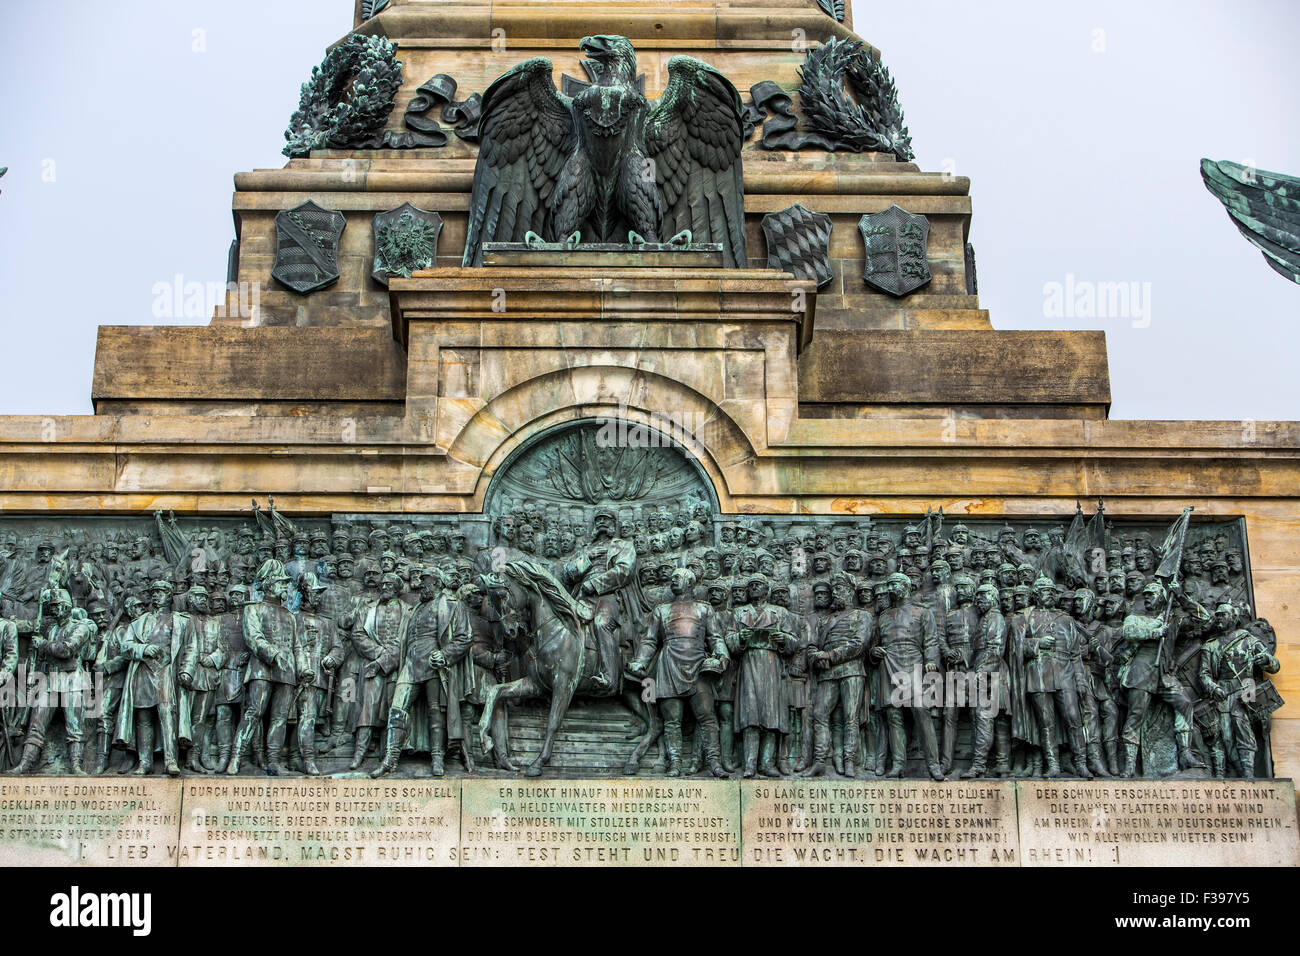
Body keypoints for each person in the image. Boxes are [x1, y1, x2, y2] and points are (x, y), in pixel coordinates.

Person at [628, 568, 729, 778]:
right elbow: (650, 640)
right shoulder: (661, 610)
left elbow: (715, 637)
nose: (672, 581)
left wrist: (721, 655)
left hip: (698, 664)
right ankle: (674, 763)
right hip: (669, 665)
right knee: (672, 719)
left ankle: (714, 762)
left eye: (677, 578)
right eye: (672, 577)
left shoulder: (704, 609)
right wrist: (640, 661)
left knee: (707, 716)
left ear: (689, 583)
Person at [225, 561, 306, 776]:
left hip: (286, 671)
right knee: (254, 712)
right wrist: (273, 653)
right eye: (281, 584)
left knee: (279, 717)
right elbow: (253, 637)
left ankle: (274, 761)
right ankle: (236, 757)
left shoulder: (290, 615)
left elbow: (298, 646)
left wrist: (304, 668)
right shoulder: (253, 609)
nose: (285, 589)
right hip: (261, 668)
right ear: (269, 585)